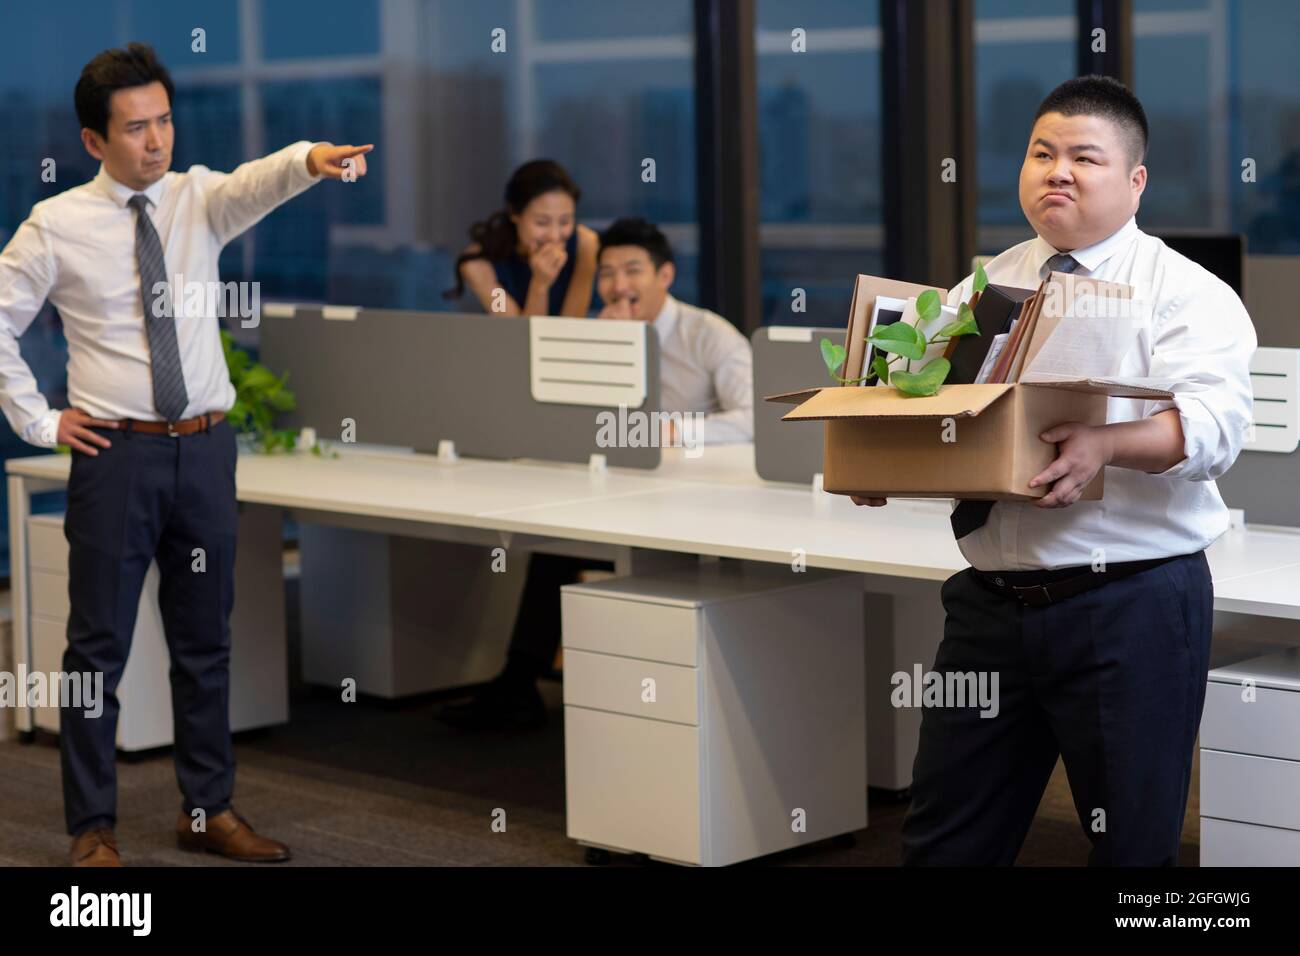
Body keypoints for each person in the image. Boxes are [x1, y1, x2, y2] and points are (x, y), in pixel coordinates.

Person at [855, 76, 1255, 866]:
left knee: (1130, 853)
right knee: (943, 840)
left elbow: (1215, 428)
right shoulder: (988, 282)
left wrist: (1106, 445)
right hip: (989, 607)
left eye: (1083, 156)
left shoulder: (1183, 292)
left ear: (1135, 180)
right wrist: (883, 455)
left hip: (1128, 605)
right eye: (1042, 153)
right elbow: (951, 411)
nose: (1057, 171)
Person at [0, 42, 372, 866]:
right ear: (95, 141)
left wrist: (311, 158)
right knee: (97, 649)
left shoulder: (197, 201)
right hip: (117, 457)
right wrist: (40, 419)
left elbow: (258, 179)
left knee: (206, 642)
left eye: (164, 121)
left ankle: (208, 811)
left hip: (204, 454)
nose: (157, 141)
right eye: (136, 128)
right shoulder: (56, 226)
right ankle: (90, 828)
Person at [439, 218, 754, 730]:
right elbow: (571, 417)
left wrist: (670, 431)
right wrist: (612, 353)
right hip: (620, 490)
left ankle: (638, 701)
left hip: (695, 501)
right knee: (554, 543)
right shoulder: (602, 329)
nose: (618, 285)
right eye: (607, 273)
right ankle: (520, 685)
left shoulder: (708, 334)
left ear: (666, 275)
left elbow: (752, 418)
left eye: (633, 270)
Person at [445, 159, 598, 317]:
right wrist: (540, 284)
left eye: (565, 221)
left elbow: (570, 328)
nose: (554, 236)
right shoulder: (477, 264)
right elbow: (515, 332)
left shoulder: (585, 245)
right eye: (542, 222)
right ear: (514, 213)